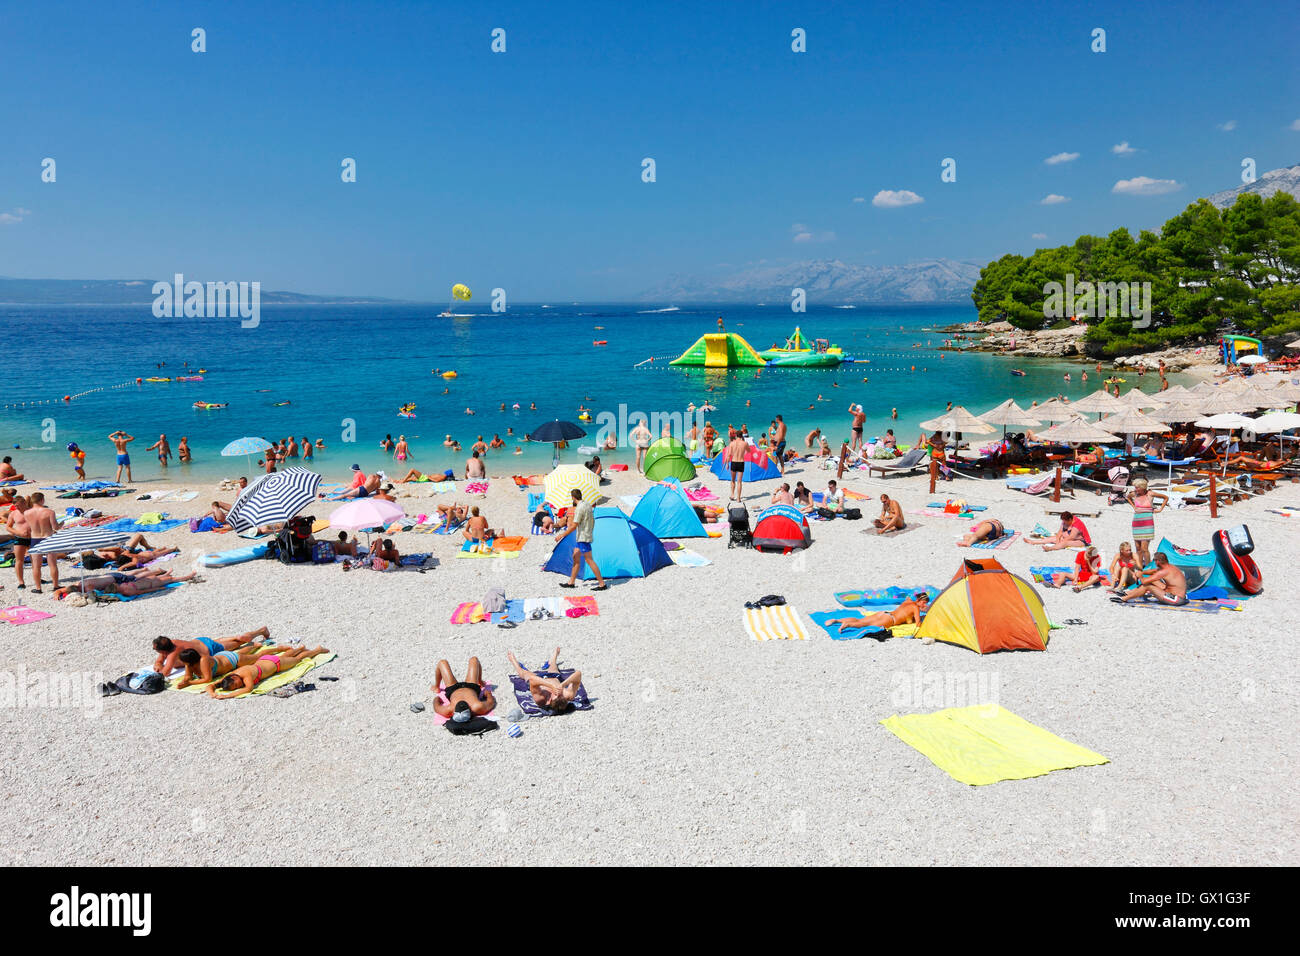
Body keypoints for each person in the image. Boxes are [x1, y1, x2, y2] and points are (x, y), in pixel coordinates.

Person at [206, 645, 330, 699]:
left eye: (237, 684)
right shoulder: (230, 677)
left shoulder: (246, 676)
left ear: (233, 677)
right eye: (237, 687)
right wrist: (213, 693)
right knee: (287, 656)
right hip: (266, 661)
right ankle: (300, 648)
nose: (240, 685)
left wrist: (227, 696)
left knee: (297, 660)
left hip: (276, 664)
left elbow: (248, 689)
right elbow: (209, 686)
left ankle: (317, 650)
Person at [173, 627, 280, 688]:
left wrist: (189, 683)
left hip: (232, 660)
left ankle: (276, 649)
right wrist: (184, 681)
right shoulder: (189, 663)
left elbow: (207, 679)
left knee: (256, 657)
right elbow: (188, 676)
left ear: (191, 660)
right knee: (241, 652)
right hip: (222, 657)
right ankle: (252, 645)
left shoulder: (203, 660)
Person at [152, 626, 270, 674]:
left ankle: (259, 632)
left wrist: (160, 668)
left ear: (163, 650)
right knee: (222, 641)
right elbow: (161, 658)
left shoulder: (173, 653)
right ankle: (237, 637)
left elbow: (165, 673)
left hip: (209, 649)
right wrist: (158, 663)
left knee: (237, 643)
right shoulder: (171, 643)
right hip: (201, 641)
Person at [558, 488, 605, 590]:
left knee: (589, 560)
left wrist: (562, 535)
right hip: (584, 535)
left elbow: (574, 526)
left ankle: (602, 584)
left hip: (583, 537)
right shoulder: (588, 504)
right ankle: (571, 582)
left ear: (573, 497)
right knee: (575, 557)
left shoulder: (579, 508)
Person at [507, 649, 583, 712]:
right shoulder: (566, 695)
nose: (558, 692)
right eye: (560, 695)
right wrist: (563, 684)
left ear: (550, 700)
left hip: (539, 681)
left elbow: (533, 680)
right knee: (553, 667)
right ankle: (553, 659)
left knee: (524, 674)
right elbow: (578, 674)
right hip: (554, 677)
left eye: (556, 695)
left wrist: (550, 685)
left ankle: (513, 660)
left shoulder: (541, 699)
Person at [824, 593, 929, 634]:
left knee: (861, 620)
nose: (924, 605)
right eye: (924, 603)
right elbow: (918, 624)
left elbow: (907, 615)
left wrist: (921, 609)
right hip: (890, 620)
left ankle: (836, 620)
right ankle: (847, 625)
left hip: (884, 614)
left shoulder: (908, 601)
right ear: (919, 601)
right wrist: (924, 616)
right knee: (862, 625)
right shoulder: (915, 607)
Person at [433, 657, 497, 723]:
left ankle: (436, 686)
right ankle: (480, 681)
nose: (461, 705)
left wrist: (437, 699)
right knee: (474, 660)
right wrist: (488, 694)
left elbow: (436, 706)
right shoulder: (477, 707)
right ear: (470, 711)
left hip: (452, 689)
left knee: (442, 662)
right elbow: (491, 702)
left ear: (454, 713)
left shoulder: (448, 711)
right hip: (472, 687)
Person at [1116, 552, 1187, 606]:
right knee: (1153, 581)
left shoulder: (1164, 572)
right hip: (1174, 593)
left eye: (1154, 560)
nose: (1154, 562)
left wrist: (1139, 575)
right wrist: (1141, 572)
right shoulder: (1169, 567)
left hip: (1177, 599)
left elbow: (1144, 581)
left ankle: (1124, 599)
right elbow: (1154, 571)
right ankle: (1127, 593)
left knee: (1147, 586)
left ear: (1157, 561)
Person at [1125, 478, 1167, 566]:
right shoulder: (1134, 494)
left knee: (1144, 548)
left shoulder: (1150, 494)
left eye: (1137, 487)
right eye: (1135, 487)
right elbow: (1127, 497)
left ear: (1143, 487)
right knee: (1138, 548)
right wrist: (1134, 507)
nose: (1135, 489)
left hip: (1147, 523)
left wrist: (1160, 509)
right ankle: (1140, 567)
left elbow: (1166, 497)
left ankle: (1148, 567)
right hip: (1137, 522)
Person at [5, 496, 33, 591]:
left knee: (35, 560)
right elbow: (8, 527)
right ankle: (21, 582)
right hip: (20, 538)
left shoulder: (32, 511)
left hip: (33, 538)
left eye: (18, 506)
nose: (17, 508)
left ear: (24, 503)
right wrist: (19, 533)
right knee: (19, 560)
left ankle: (38, 578)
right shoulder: (13, 514)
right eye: (15, 506)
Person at [727, 431, 748, 501]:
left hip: (734, 462)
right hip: (741, 462)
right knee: (739, 481)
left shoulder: (732, 443)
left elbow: (729, 454)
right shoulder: (744, 443)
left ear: (736, 435)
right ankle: (738, 498)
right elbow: (749, 451)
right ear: (742, 436)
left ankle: (732, 494)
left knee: (733, 480)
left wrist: (727, 464)